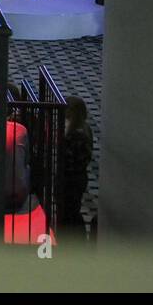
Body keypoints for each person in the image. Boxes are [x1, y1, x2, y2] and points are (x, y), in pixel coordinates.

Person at [62, 95, 93, 232]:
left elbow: (67, 159)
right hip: (80, 177)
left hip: (70, 179)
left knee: (68, 210)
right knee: (73, 208)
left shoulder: (73, 134)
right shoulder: (86, 129)